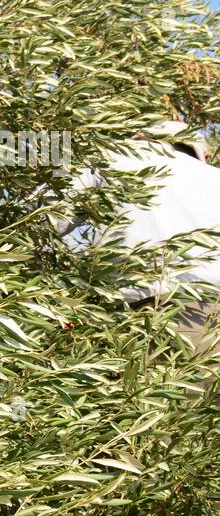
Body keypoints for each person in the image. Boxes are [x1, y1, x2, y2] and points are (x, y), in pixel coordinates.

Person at [68, 120, 219, 354]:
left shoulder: (109, 160)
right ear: (198, 151)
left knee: (155, 386)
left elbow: (47, 214)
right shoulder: (214, 178)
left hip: (149, 308)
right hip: (212, 311)